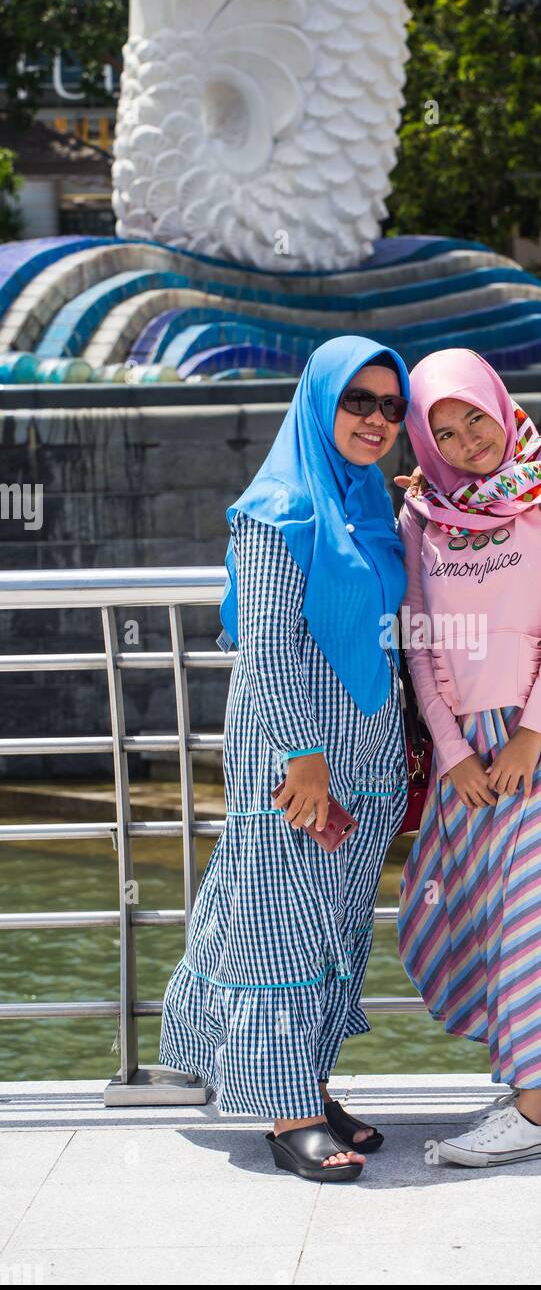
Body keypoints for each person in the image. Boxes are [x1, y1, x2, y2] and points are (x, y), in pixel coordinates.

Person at [159, 335, 411, 1184]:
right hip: (293, 762)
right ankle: (289, 1111)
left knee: (336, 928)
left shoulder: (369, 499)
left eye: (390, 405)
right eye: (357, 402)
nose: (377, 420)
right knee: (280, 927)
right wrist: (303, 758)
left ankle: (310, 1081)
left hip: (368, 755)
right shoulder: (278, 509)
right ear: (317, 403)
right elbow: (265, 647)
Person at [395, 348, 541, 1168]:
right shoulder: (421, 512)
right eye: (444, 430)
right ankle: (522, 1073)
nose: (467, 439)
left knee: (538, 902)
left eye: (475, 416)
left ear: (499, 404)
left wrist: (529, 736)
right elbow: (417, 638)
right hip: (466, 743)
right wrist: (452, 753)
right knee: (471, 901)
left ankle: (534, 1112)